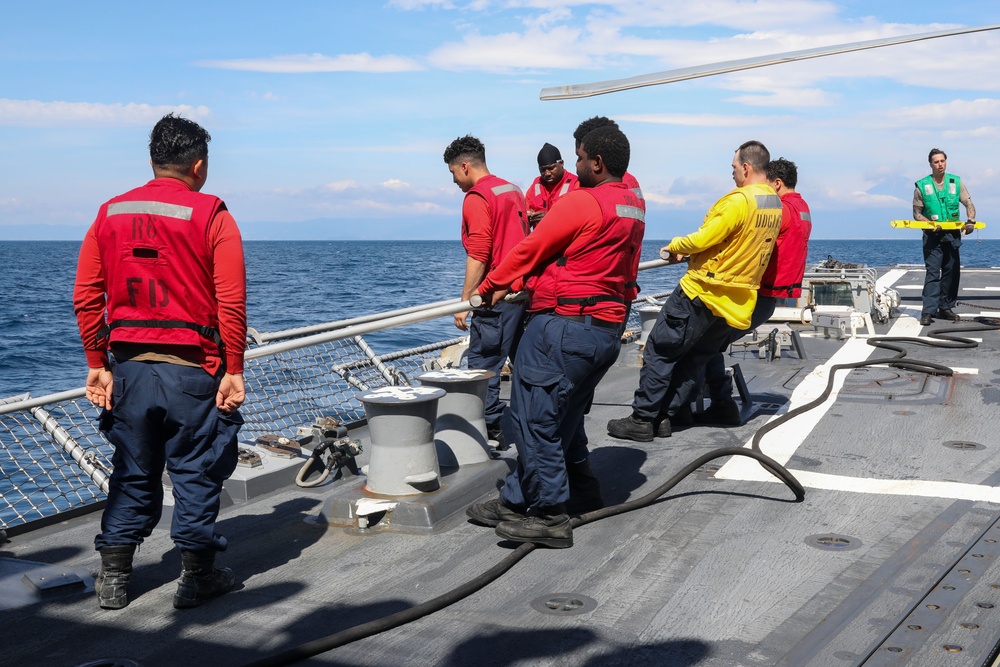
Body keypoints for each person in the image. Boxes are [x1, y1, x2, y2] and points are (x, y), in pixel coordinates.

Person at [73, 114, 246, 610]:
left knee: (131, 471)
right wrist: (233, 368)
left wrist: (96, 361)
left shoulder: (109, 212)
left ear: (152, 161)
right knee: (195, 469)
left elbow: (86, 295)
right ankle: (196, 577)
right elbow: (230, 302)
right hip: (194, 373)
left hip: (128, 370)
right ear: (198, 164)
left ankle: (113, 579)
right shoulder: (212, 214)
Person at [465, 124, 645, 548]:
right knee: (562, 419)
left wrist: (487, 289)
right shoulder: (632, 202)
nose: (575, 165)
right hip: (605, 328)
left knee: (532, 421)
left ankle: (548, 515)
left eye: (579, 157)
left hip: (564, 328)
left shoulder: (583, 201)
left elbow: (530, 250)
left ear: (596, 163)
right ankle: (519, 499)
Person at [607, 140, 782, 442]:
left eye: (733, 168)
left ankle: (642, 419)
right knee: (696, 358)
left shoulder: (739, 200)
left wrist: (674, 247)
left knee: (659, 350)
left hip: (702, 291)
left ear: (746, 167)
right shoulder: (773, 204)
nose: (732, 174)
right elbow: (737, 242)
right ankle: (664, 417)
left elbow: (705, 237)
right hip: (736, 301)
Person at [665, 157, 813, 428]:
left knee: (700, 347)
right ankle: (720, 406)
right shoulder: (802, 208)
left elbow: (747, 235)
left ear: (776, 183)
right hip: (771, 298)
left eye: (766, 187)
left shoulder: (782, 210)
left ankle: (682, 409)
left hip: (758, 296)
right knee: (708, 345)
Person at [443, 135, 528, 448]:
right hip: (521, 295)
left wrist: (465, 301)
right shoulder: (513, 190)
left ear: (465, 166)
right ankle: (526, 422)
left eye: (453, 173)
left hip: (495, 298)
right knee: (524, 364)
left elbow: (480, 249)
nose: (454, 181)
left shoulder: (477, 197)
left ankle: (492, 429)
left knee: (483, 365)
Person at [913, 148, 976, 326]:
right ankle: (928, 311)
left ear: (946, 162)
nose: (940, 164)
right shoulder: (921, 186)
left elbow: (969, 203)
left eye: (942, 161)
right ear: (931, 164)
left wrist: (970, 220)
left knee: (952, 271)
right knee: (933, 273)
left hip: (952, 235)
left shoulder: (956, 182)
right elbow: (916, 213)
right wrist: (930, 225)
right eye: (936, 162)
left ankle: (945, 307)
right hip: (932, 236)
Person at [525, 143, 579, 228]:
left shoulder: (577, 185)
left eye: (551, 168)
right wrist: (527, 217)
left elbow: (581, 218)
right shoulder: (535, 186)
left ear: (561, 163)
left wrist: (551, 218)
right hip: (540, 239)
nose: (547, 173)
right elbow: (523, 214)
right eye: (543, 170)